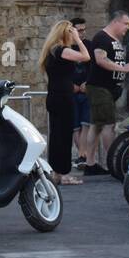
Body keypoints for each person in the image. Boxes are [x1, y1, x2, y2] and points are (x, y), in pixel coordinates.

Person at [83, 10, 129, 176]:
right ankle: (114, 162)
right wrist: (123, 68)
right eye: (126, 24)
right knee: (108, 125)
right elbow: (100, 60)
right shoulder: (101, 37)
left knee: (96, 125)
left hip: (109, 88)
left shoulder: (114, 40)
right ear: (116, 22)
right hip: (100, 87)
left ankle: (90, 164)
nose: (128, 27)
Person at [40, 20, 90, 185]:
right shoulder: (62, 50)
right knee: (63, 137)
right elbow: (86, 56)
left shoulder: (51, 51)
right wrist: (79, 39)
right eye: (72, 32)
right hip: (63, 97)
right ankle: (61, 173)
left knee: (57, 135)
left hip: (55, 96)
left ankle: (57, 173)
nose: (75, 34)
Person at [70, 17, 92, 166]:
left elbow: (94, 66)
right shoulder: (65, 48)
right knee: (75, 126)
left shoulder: (89, 45)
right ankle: (82, 155)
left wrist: (87, 83)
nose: (83, 33)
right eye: (79, 30)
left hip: (86, 90)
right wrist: (71, 85)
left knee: (85, 124)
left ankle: (82, 155)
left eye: (84, 30)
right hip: (71, 92)